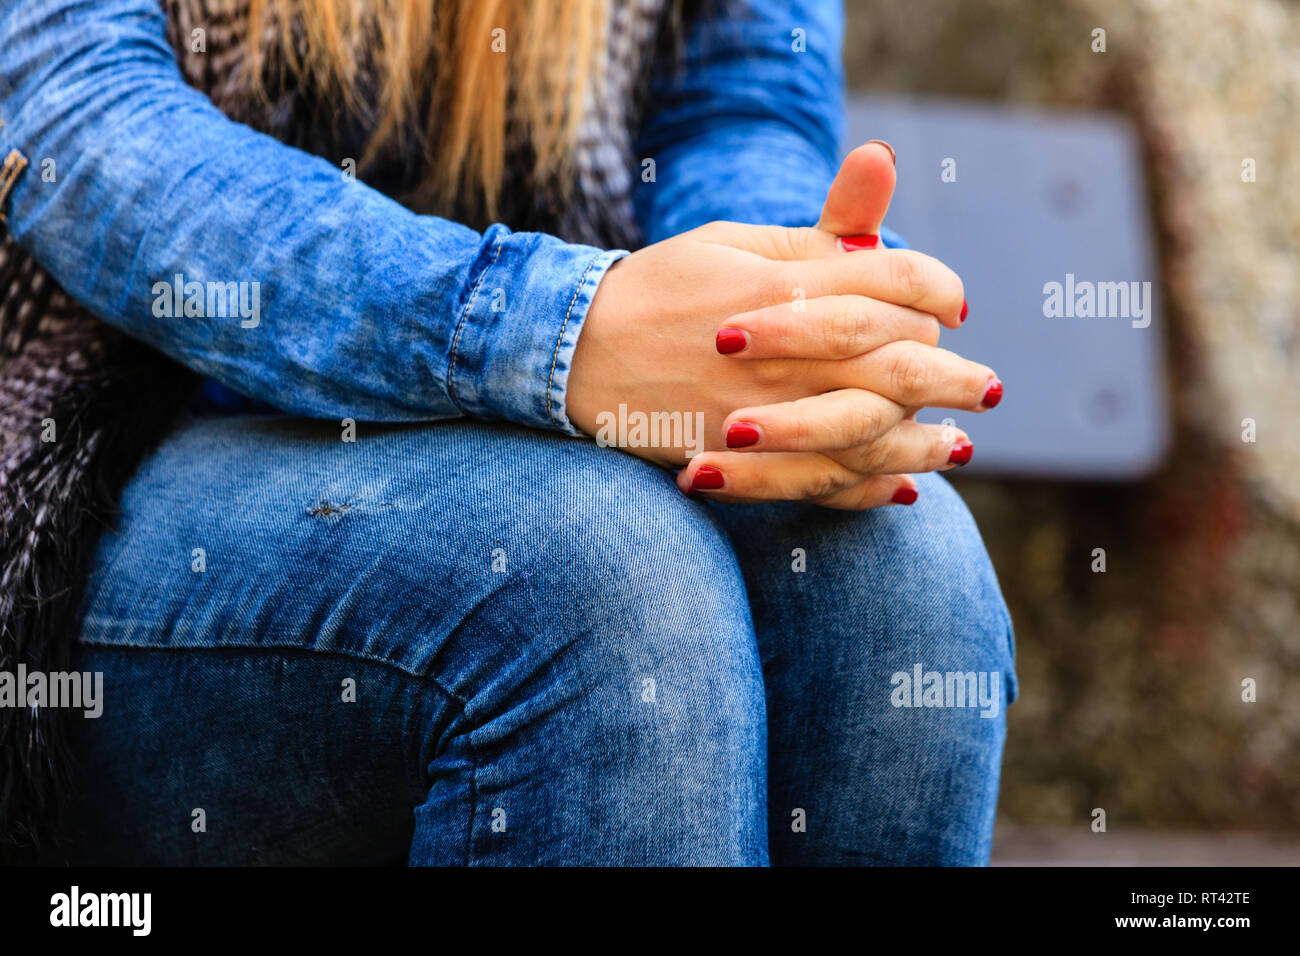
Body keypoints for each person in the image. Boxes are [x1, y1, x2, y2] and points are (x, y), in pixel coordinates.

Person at [0, 0, 1016, 865]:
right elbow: (75, 117)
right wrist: (557, 330)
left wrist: (783, 335)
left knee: (896, 565)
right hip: (97, 454)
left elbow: (733, 102)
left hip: (546, 430)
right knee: (593, 580)